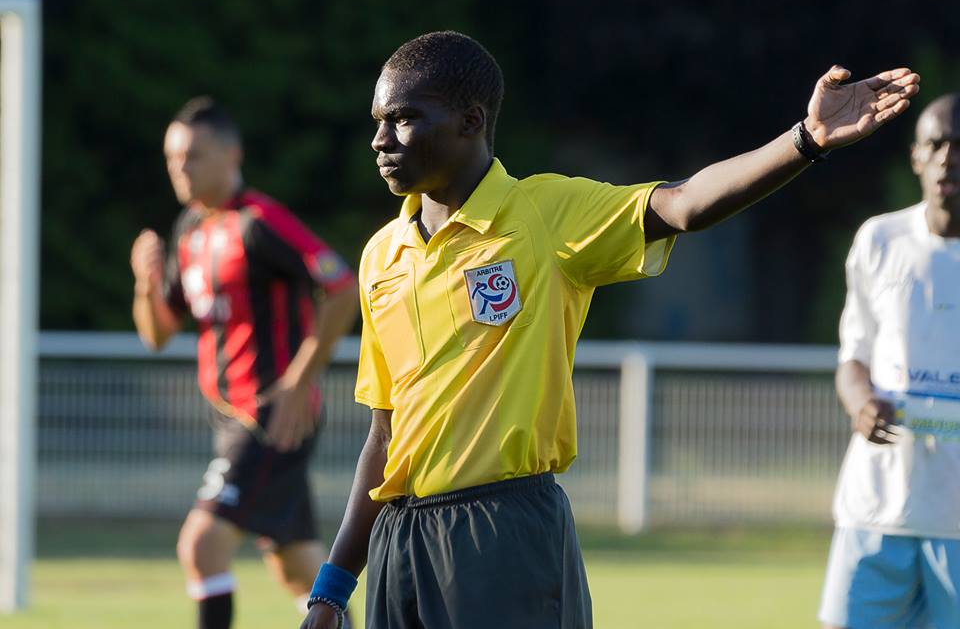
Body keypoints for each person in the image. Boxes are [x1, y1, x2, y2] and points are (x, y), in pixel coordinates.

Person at [300, 31, 919, 629]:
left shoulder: (543, 215)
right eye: (378, 121)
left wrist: (805, 140)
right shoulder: (383, 255)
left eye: (404, 119)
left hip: (502, 531)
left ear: (470, 119)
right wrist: (333, 584)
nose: (382, 139)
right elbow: (384, 433)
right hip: (397, 542)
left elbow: (683, 204)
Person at [130, 97, 358, 629]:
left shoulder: (260, 222)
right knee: (298, 571)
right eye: (172, 158)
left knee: (201, 546)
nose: (180, 169)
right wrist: (145, 284)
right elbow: (159, 333)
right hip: (229, 417)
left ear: (232, 154)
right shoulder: (189, 230)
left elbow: (341, 289)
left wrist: (300, 380)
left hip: (270, 415)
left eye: (193, 156)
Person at [818, 94, 960, 629]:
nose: (949, 158)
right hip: (876, 508)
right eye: (936, 144)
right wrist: (861, 403)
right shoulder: (880, 239)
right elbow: (852, 358)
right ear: (916, 158)